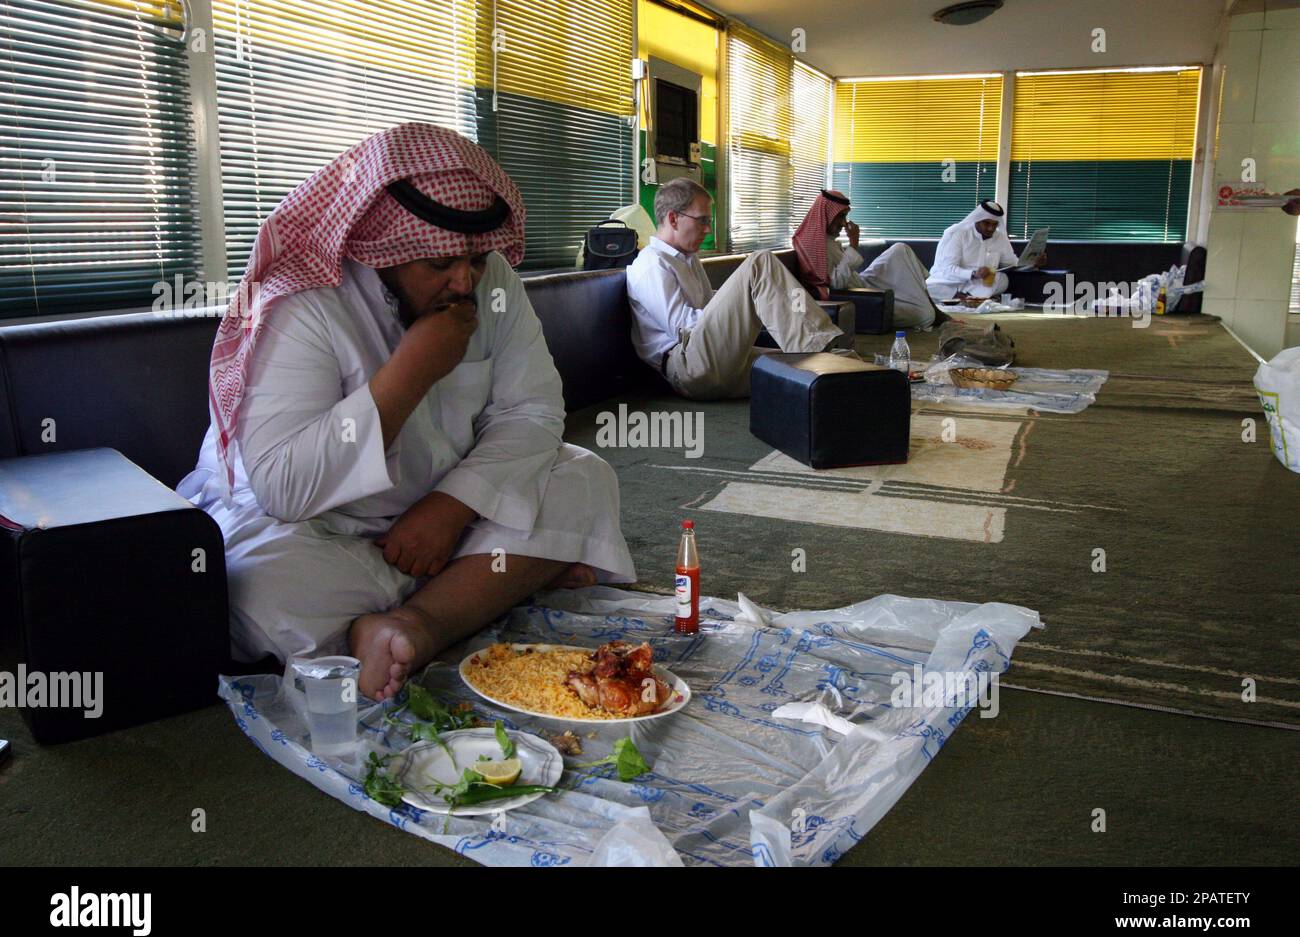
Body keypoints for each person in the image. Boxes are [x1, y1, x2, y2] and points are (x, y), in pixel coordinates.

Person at [177, 123, 635, 701]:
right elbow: (285, 490)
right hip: (320, 528)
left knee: (584, 478)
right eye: (440, 263)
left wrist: (449, 507)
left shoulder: (490, 284)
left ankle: (417, 624)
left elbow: (534, 410)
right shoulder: (303, 304)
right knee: (253, 586)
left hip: (451, 510)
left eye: (476, 257)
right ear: (380, 248)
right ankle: (488, 585)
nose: (464, 281)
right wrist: (411, 373)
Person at [625, 177, 854, 401]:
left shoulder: (688, 258)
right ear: (674, 219)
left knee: (823, 364)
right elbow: (683, 328)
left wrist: (765, 303)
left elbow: (708, 304)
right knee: (760, 263)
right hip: (688, 365)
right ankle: (819, 346)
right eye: (702, 221)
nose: (708, 230)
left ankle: (850, 371)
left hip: (715, 360)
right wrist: (744, 307)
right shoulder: (652, 263)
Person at [792, 188, 950, 329]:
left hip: (862, 284)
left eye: (845, 216)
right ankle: (933, 312)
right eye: (839, 217)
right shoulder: (813, 243)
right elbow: (835, 285)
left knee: (900, 250)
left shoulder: (828, 240)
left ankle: (934, 307)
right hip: (858, 297)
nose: (843, 223)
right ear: (826, 215)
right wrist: (853, 245)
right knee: (925, 315)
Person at [926, 200, 1046, 302]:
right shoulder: (959, 234)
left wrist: (1032, 263)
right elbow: (948, 269)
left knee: (1002, 279)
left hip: (980, 283)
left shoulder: (1000, 237)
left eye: (994, 225)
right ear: (978, 219)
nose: (991, 228)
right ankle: (963, 297)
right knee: (928, 287)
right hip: (951, 281)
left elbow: (1012, 263)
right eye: (987, 223)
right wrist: (973, 274)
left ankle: (968, 298)